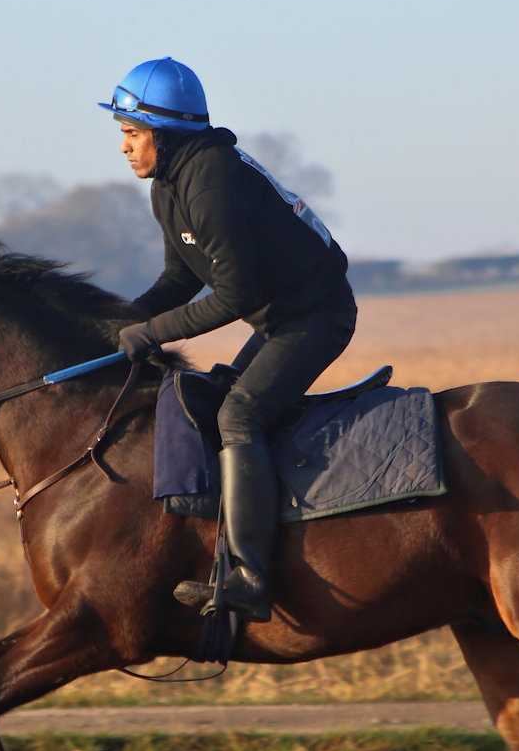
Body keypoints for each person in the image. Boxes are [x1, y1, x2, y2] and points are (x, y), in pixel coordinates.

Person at [101, 57, 356, 623]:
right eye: (123, 133)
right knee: (222, 406)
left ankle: (250, 577)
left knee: (238, 416)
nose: (122, 146)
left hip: (317, 316)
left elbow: (234, 297)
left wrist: (150, 333)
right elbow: (182, 277)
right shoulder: (168, 184)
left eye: (130, 132)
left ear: (163, 134)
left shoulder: (213, 179)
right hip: (282, 321)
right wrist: (118, 321)